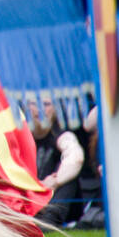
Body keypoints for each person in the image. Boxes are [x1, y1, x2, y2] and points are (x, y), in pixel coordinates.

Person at [30, 98, 85, 229]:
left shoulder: (62, 135)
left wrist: (55, 182)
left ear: (55, 109)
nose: (40, 109)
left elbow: (76, 157)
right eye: (34, 104)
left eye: (46, 104)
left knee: (69, 174)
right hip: (33, 198)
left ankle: (50, 220)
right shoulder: (22, 135)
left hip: (57, 202)